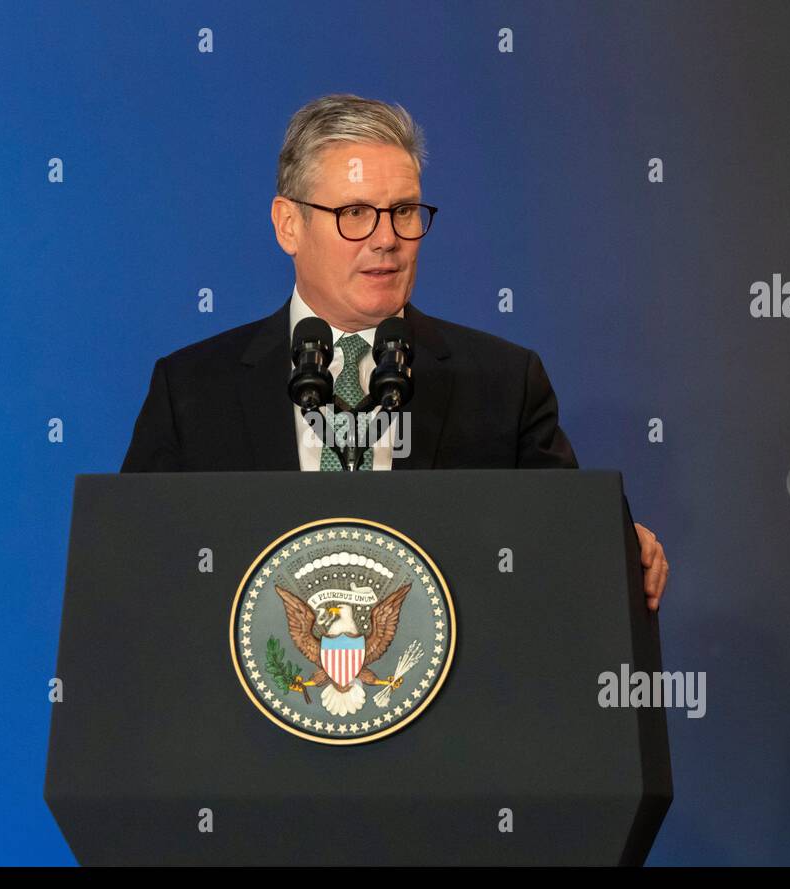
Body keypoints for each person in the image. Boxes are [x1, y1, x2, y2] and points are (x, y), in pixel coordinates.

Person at [121, 93, 669, 610]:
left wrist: (615, 547)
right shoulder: (193, 389)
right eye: (355, 212)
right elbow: (137, 570)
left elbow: (565, 544)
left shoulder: (503, 382)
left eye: (404, 210)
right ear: (289, 225)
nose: (386, 238)